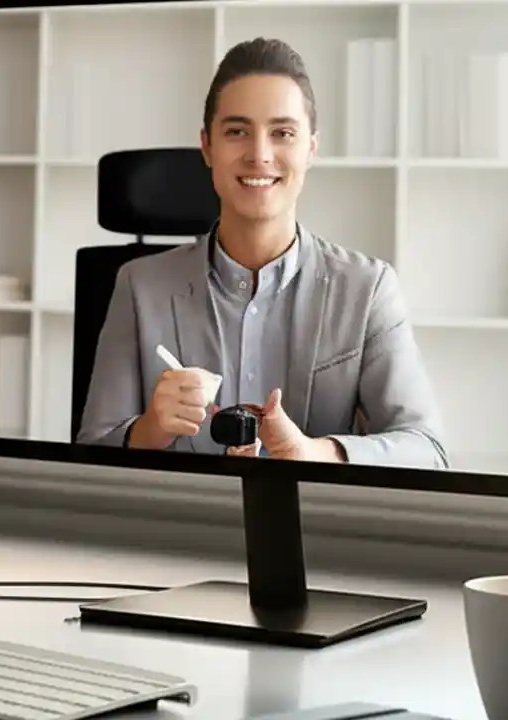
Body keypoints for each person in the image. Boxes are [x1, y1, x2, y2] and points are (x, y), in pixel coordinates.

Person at [75, 37, 448, 469]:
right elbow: (91, 450)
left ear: (310, 149)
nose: (259, 154)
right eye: (237, 131)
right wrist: (151, 429)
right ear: (208, 147)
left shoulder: (367, 289)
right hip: (176, 526)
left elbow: (428, 452)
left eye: (283, 133)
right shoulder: (139, 287)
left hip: (309, 529)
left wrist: (313, 452)